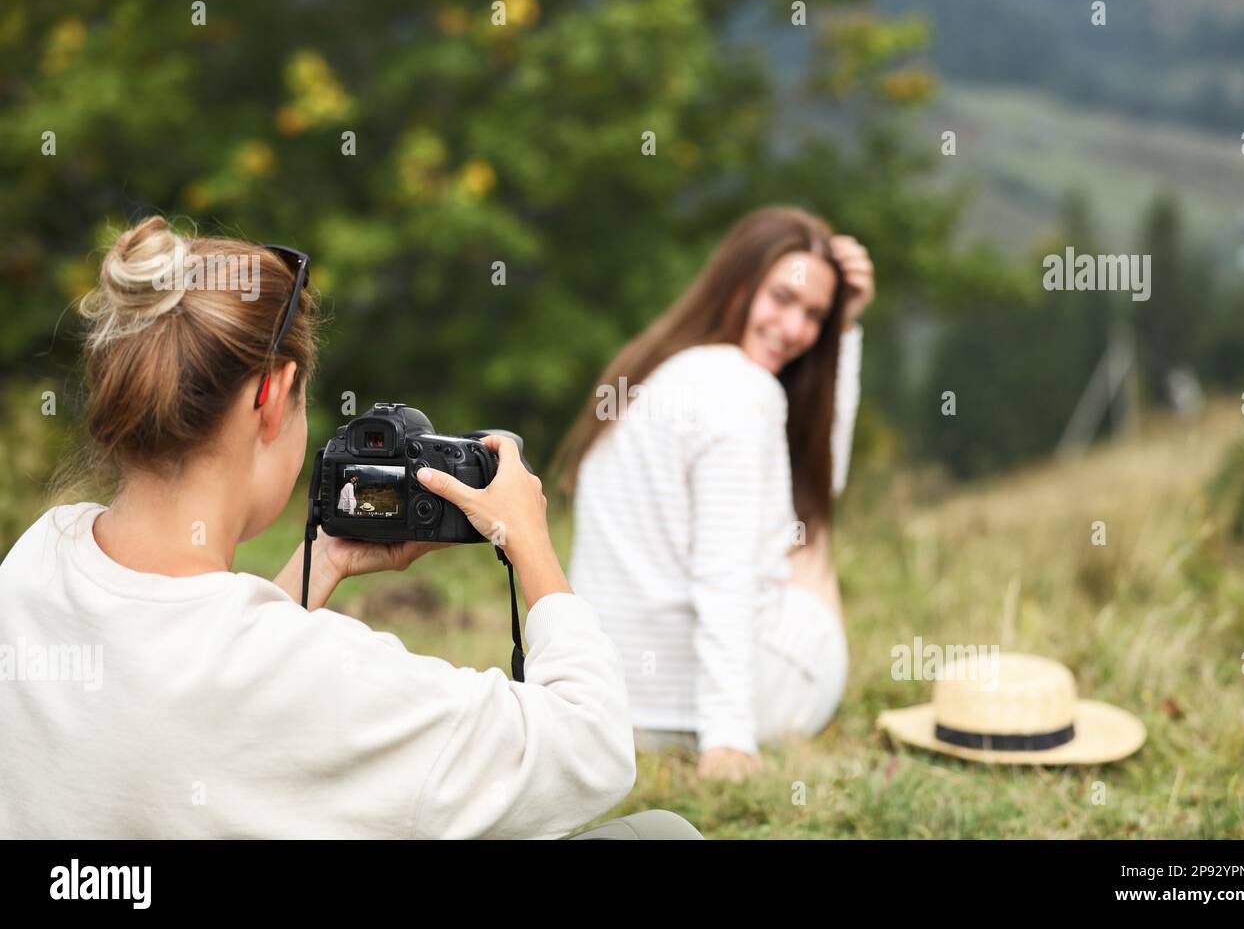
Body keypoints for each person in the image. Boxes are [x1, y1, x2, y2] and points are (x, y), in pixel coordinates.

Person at [0, 215, 701, 840]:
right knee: (663, 834)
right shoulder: (328, 677)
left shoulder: (36, 562)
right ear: (271, 398)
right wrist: (532, 547)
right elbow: (592, 752)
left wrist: (320, 563)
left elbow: (188, 677)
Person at [557, 206, 876, 782]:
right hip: (713, 707)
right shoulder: (741, 391)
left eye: (816, 317)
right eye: (782, 298)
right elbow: (725, 574)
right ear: (739, 281)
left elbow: (813, 477)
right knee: (811, 543)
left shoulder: (654, 369)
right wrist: (728, 740)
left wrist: (845, 329)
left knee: (801, 521)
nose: (795, 330)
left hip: (613, 703)